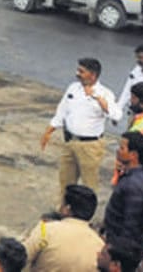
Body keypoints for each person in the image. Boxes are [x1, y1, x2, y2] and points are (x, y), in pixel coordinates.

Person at [41, 57, 122, 201]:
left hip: (90, 146)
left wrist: (99, 100)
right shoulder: (73, 88)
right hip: (70, 142)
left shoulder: (105, 93)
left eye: (81, 71)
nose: (77, 74)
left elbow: (117, 115)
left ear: (93, 75)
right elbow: (62, 110)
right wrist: (50, 130)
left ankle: (86, 212)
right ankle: (63, 209)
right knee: (65, 181)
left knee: (89, 184)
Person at [21, 184, 104, 272]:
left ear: (67, 209)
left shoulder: (45, 230)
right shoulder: (100, 246)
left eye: (61, 204)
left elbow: (19, 258)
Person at [102, 131, 143, 256]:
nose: (117, 151)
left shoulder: (133, 185)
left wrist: (116, 250)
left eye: (122, 148)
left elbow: (131, 225)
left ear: (133, 155)